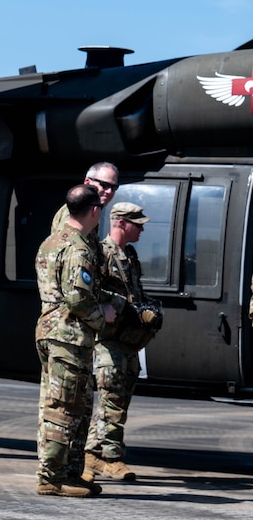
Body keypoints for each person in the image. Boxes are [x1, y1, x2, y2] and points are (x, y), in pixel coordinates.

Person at [34, 185, 116, 497]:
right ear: (94, 210)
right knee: (64, 406)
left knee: (70, 403)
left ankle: (69, 471)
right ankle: (52, 476)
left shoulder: (51, 241)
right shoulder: (79, 248)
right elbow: (77, 297)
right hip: (67, 335)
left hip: (53, 332)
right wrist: (103, 314)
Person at [83, 202, 159, 483]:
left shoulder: (130, 255)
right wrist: (123, 308)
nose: (142, 229)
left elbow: (134, 293)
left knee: (118, 401)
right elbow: (91, 290)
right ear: (121, 223)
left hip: (127, 341)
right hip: (108, 339)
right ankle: (105, 457)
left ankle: (100, 454)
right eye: (137, 223)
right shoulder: (102, 253)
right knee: (111, 400)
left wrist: (142, 320)